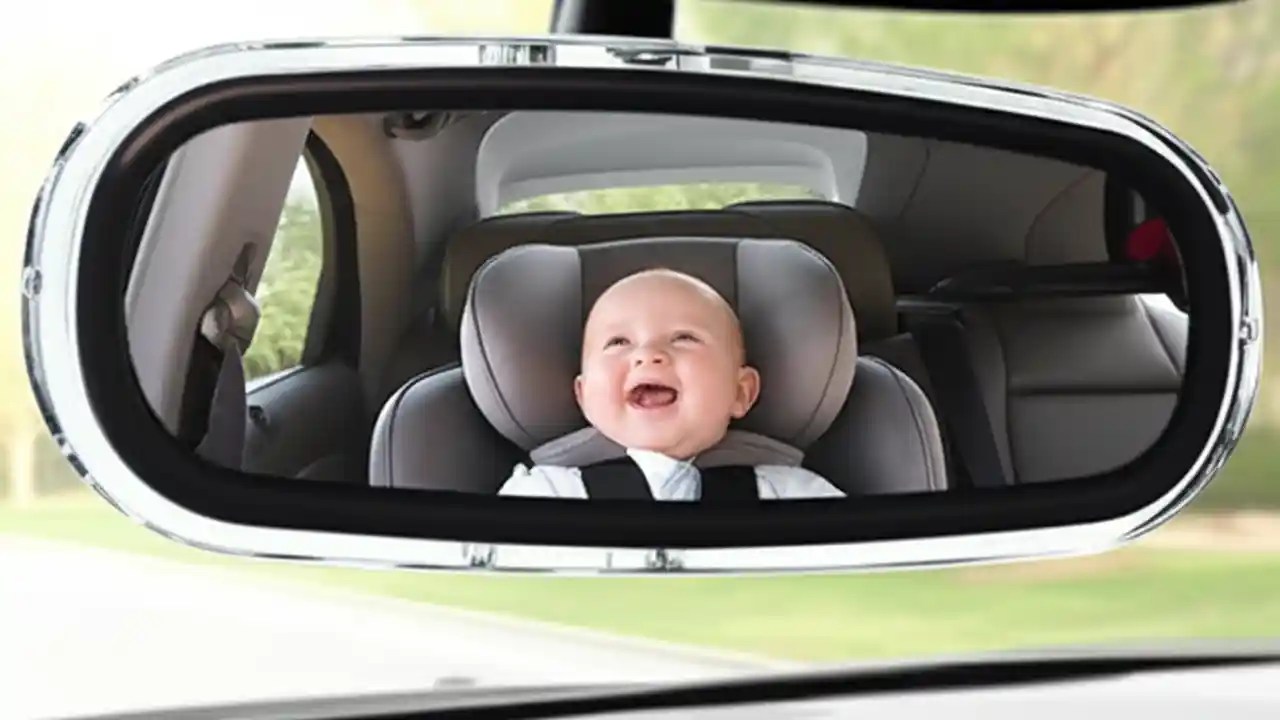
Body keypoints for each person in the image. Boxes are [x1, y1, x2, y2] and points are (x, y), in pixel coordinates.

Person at [497, 267, 845, 501]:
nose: (648, 354)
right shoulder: (546, 494)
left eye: (683, 338)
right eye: (618, 342)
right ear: (585, 396)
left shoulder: (794, 495)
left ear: (740, 393)